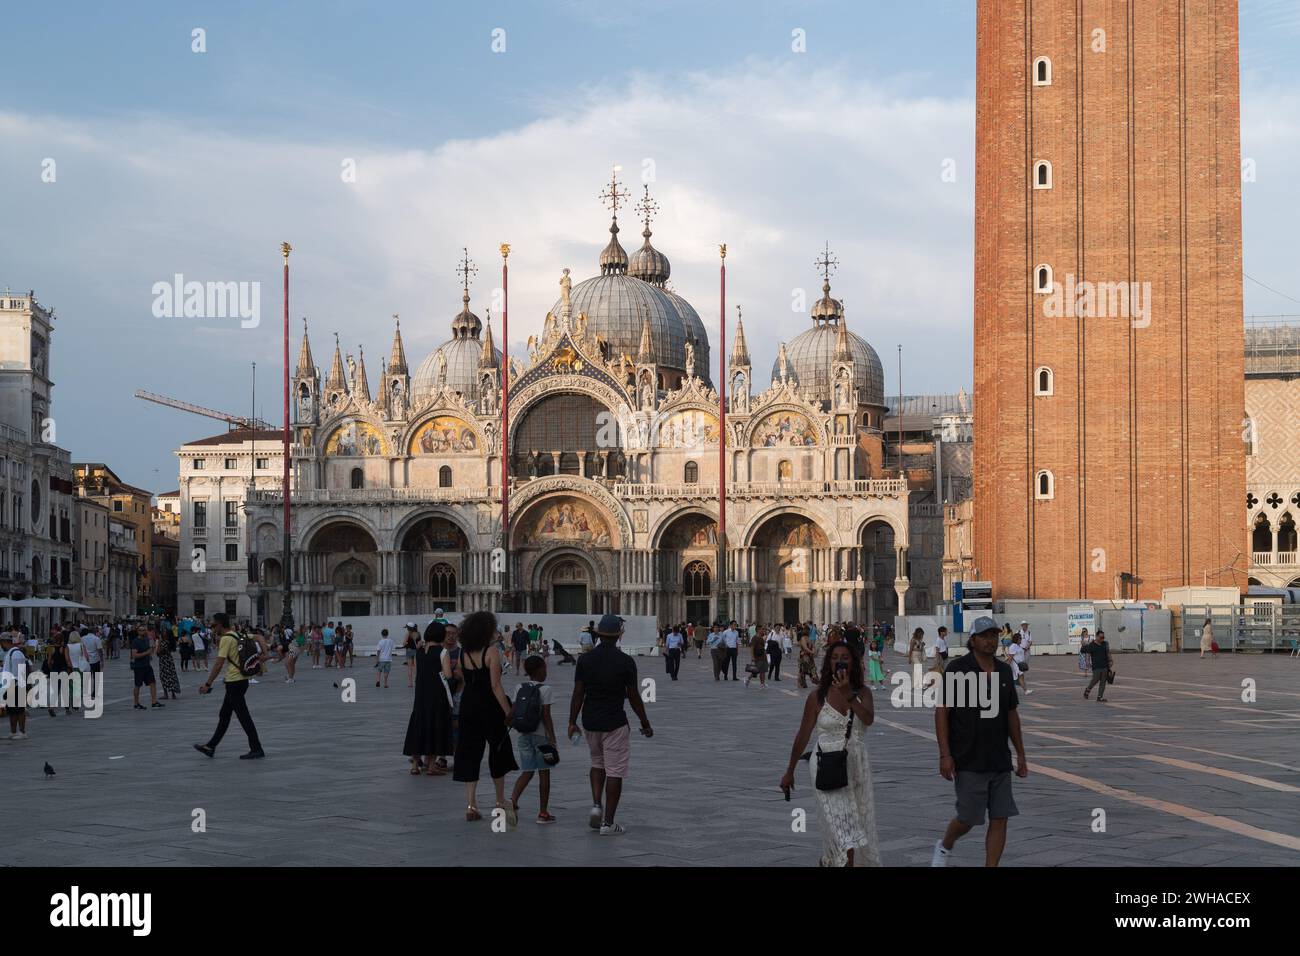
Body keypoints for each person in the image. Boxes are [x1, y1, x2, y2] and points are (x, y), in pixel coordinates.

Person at [932, 616, 1027, 867]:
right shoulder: (958, 669)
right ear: (972, 640)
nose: (990, 641)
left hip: (999, 758)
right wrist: (945, 754)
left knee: (1000, 817)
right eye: (984, 636)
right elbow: (943, 711)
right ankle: (945, 845)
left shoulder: (1004, 671)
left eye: (994, 636)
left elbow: (1011, 714)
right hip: (968, 757)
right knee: (968, 818)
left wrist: (1021, 754)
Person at [780, 640, 881, 867]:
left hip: (856, 768)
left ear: (854, 662)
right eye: (835, 657)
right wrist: (790, 771)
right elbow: (803, 735)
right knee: (846, 839)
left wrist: (848, 695)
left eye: (845, 657)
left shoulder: (863, 693)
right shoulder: (817, 697)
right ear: (828, 663)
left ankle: (828, 862)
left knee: (854, 831)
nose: (839, 661)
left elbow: (868, 719)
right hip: (826, 767)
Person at [568, 614, 652, 835]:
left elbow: (578, 693)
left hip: (590, 721)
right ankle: (608, 823)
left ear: (599, 634)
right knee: (614, 771)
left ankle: (596, 805)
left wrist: (571, 722)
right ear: (619, 635)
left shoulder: (585, 660)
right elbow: (633, 696)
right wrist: (645, 723)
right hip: (614, 722)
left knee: (597, 764)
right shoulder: (625, 662)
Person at [453, 611, 518, 823]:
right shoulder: (491, 652)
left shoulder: (463, 653)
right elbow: (495, 686)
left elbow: (461, 678)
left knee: (470, 751)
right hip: (489, 705)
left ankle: (471, 804)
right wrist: (508, 711)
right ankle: (499, 800)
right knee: (498, 750)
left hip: (468, 705)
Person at [193, 613, 265, 759]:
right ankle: (210, 746)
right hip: (241, 680)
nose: (213, 628)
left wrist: (208, 684)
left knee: (243, 716)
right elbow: (259, 637)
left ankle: (257, 748)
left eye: (214, 625)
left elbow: (219, 663)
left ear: (220, 624)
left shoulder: (226, 639)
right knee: (225, 715)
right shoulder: (237, 634)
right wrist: (265, 651)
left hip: (234, 682)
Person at [509, 655, 559, 824]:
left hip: (524, 736)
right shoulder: (546, 689)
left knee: (527, 772)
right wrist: (552, 738)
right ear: (539, 671)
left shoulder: (519, 687)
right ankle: (543, 813)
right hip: (541, 737)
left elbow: (513, 710)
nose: (546, 672)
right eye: (544, 668)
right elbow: (546, 716)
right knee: (544, 774)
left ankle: (513, 800)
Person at [403, 622, 454, 774]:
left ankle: (414, 766)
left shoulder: (420, 651)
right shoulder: (443, 652)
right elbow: (448, 674)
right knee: (435, 726)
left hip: (421, 694)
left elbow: (419, 671)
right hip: (437, 694)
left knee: (419, 725)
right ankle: (431, 766)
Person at [2, 630, 29, 739]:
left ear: (5, 642)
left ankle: (22, 732)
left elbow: (18, 672)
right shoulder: (10, 653)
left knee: (19, 710)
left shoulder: (16, 653)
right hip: (11, 685)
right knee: (12, 710)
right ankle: (13, 732)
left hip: (17, 685)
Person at [129, 627, 163, 711]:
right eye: (140, 630)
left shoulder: (146, 640)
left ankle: (154, 702)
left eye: (144, 630)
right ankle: (136, 703)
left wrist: (150, 653)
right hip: (139, 666)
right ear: (137, 632)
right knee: (138, 685)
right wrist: (146, 653)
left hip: (147, 665)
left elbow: (150, 650)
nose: (143, 631)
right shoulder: (135, 641)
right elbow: (134, 655)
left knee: (152, 683)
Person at [1083, 629, 1113, 702]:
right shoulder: (1091, 645)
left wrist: (1111, 660)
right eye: (1100, 637)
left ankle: (1100, 697)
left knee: (1103, 682)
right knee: (1095, 680)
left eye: (1103, 637)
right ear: (1096, 636)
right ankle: (1088, 689)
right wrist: (1087, 662)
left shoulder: (1105, 644)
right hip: (1096, 666)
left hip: (1105, 666)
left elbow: (1108, 653)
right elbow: (1088, 654)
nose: (1102, 639)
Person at [156, 624, 181, 700]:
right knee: (171, 676)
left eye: (164, 632)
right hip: (168, 660)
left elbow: (159, 652)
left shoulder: (164, 642)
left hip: (164, 661)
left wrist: (159, 644)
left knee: (164, 676)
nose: (163, 633)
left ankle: (166, 694)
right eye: (162, 632)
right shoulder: (170, 641)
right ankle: (172, 694)